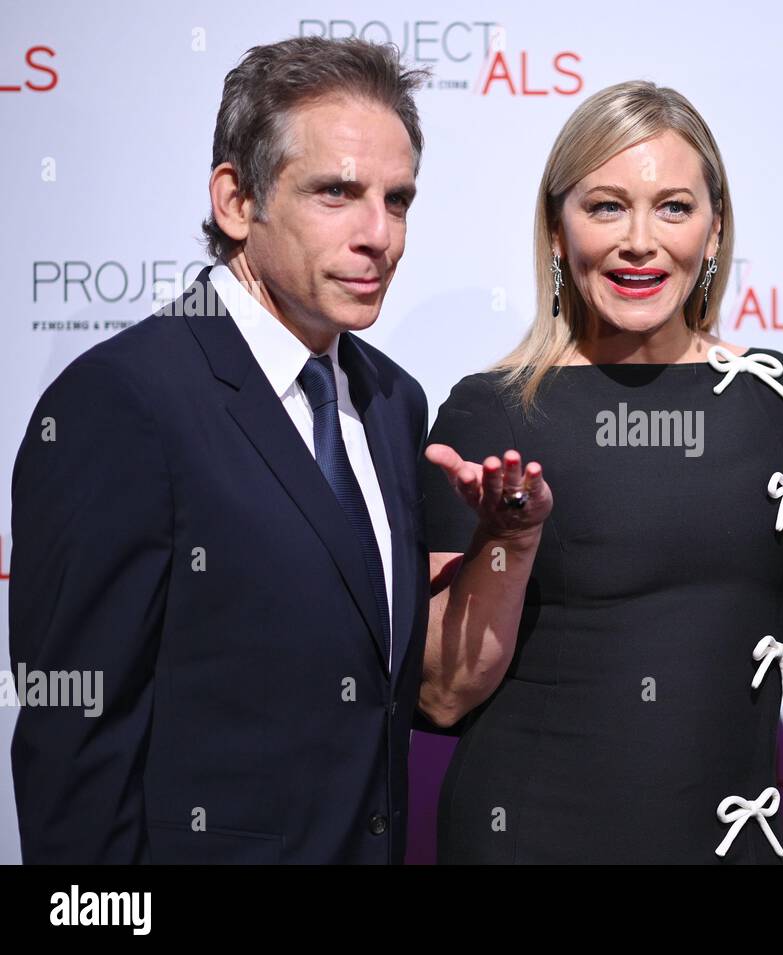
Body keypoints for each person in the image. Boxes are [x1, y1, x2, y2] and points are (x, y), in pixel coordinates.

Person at [9, 37, 452, 863]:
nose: (378, 234)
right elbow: (75, 752)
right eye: (337, 193)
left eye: (398, 200)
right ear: (236, 201)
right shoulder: (123, 403)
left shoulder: (394, 402)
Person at [417, 81, 783, 863]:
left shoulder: (781, 399)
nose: (641, 241)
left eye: (674, 207)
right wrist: (510, 539)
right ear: (557, 230)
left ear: (715, 228)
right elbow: (440, 691)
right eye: (605, 207)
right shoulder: (490, 413)